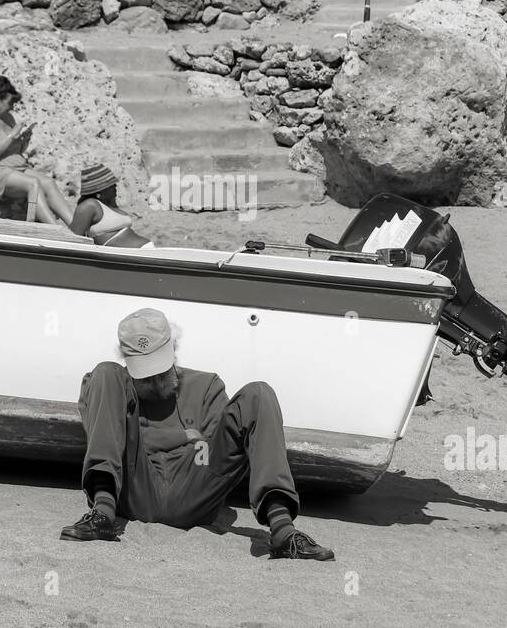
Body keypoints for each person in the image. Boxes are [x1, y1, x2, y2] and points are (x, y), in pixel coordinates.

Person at [60, 307, 335, 561]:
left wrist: (162, 440)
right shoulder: (112, 384)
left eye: (160, 370)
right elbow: (105, 438)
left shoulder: (207, 386)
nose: (155, 382)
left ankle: (283, 530)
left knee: (259, 393)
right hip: (135, 489)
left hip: (194, 491)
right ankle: (102, 514)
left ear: (174, 348)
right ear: (128, 361)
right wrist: (183, 437)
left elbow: (214, 455)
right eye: (145, 375)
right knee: (103, 371)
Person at [0, 76, 75, 226]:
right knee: (33, 184)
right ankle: (54, 228)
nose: (12, 107)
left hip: (12, 166)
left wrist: (22, 140)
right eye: (10, 102)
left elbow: (14, 150)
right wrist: (12, 135)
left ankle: (75, 226)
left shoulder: (9, 118)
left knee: (48, 182)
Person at [70, 163, 153, 248]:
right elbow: (72, 241)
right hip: (129, 257)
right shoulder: (90, 205)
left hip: (142, 253)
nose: (115, 186)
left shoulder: (109, 205)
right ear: (99, 192)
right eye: (110, 185)